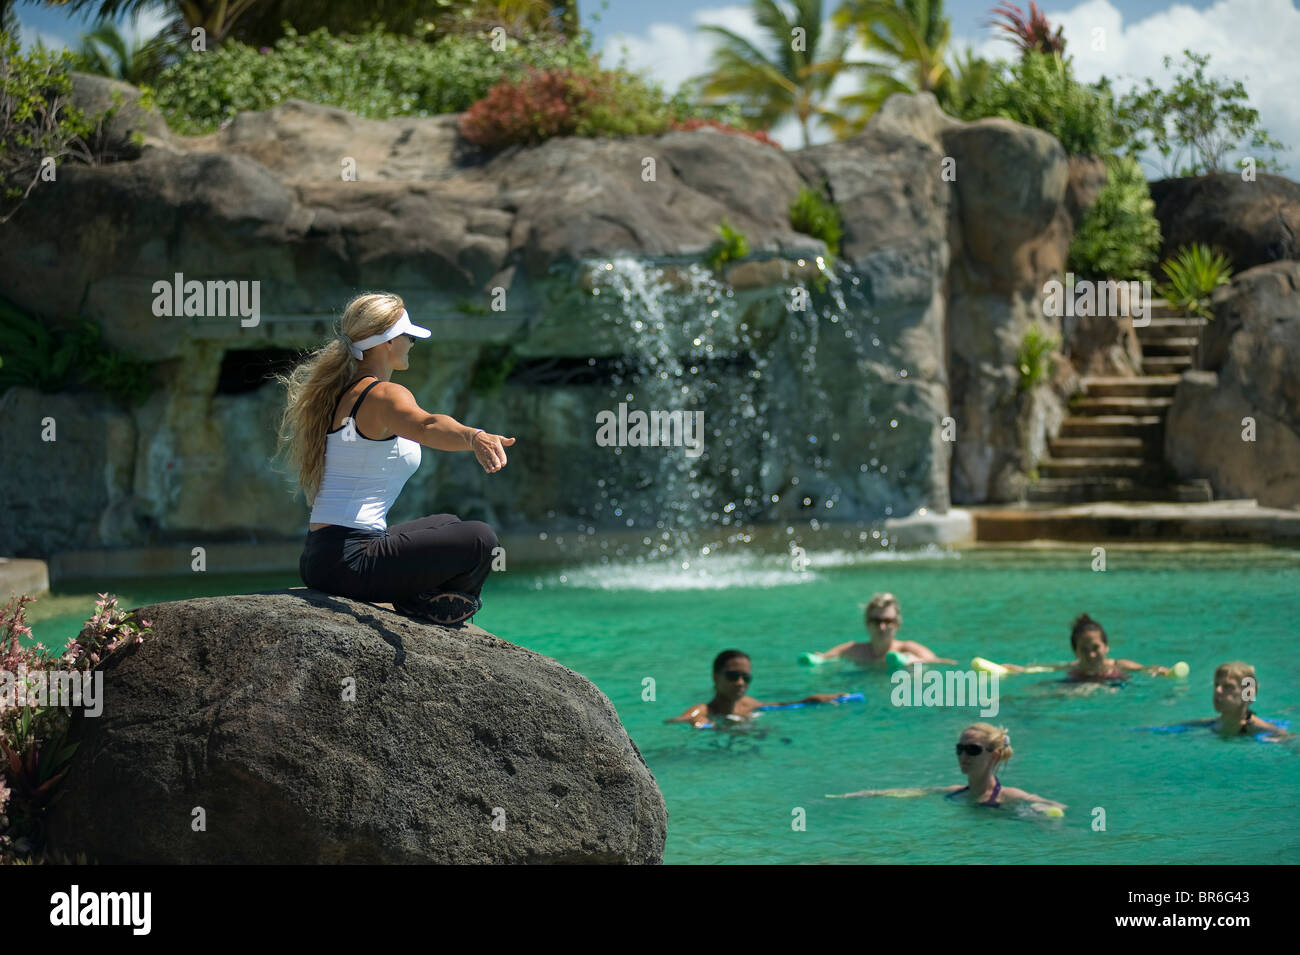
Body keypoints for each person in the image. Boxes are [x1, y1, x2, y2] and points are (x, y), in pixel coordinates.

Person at [276, 292, 515, 627]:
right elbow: (427, 425)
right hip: (351, 560)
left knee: (448, 523)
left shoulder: (345, 391)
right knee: (480, 539)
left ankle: (417, 596)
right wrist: (473, 436)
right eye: (409, 335)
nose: (412, 343)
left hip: (323, 556)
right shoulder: (384, 394)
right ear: (388, 341)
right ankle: (426, 607)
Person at [826, 723, 1065, 813]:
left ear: (994, 756)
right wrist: (866, 795)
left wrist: (1042, 813)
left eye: (972, 750)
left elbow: (1057, 807)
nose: (963, 755)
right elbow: (913, 792)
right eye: (959, 749)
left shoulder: (1009, 796)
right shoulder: (955, 792)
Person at [666, 650, 848, 728]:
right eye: (732, 676)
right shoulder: (704, 709)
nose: (740, 683)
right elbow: (676, 721)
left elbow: (781, 705)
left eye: (745, 678)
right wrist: (696, 721)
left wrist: (812, 700)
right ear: (715, 677)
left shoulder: (748, 704)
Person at [996, 614, 1171, 681]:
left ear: (1106, 647)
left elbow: (1144, 669)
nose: (1092, 654)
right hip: (1077, 686)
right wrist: (1019, 670)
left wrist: (1163, 671)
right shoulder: (1073, 667)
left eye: (1096, 647)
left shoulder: (1119, 665)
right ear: (1075, 652)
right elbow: (1044, 669)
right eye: (1084, 650)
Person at [1146, 662, 1287, 740]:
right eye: (1216, 685)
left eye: (1228, 687)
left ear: (1248, 694)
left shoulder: (1266, 731)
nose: (1218, 691)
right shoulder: (1208, 724)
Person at [813, 593, 955, 667]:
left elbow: (945, 663)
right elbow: (823, 659)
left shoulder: (909, 649)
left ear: (897, 624)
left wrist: (916, 661)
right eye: (876, 621)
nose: (882, 627)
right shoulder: (855, 650)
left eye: (888, 621)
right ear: (867, 624)